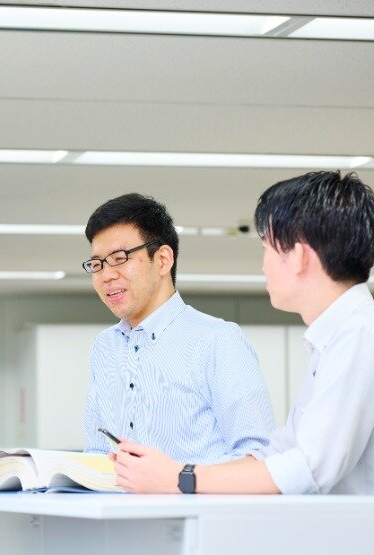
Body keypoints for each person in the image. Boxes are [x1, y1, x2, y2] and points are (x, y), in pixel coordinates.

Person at [112, 172, 374, 496]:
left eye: (267, 248)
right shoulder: (341, 336)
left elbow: (306, 469)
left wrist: (180, 478)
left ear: (300, 256)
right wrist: (173, 471)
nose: (263, 266)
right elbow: (278, 453)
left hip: (371, 531)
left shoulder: (360, 336)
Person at [82, 193, 275, 464]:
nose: (106, 275)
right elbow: (97, 450)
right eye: (97, 264)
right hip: (115, 494)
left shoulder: (218, 340)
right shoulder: (105, 346)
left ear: (162, 260)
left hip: (194, 494)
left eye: (119, 258)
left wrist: (177, 478)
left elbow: (257, 456)